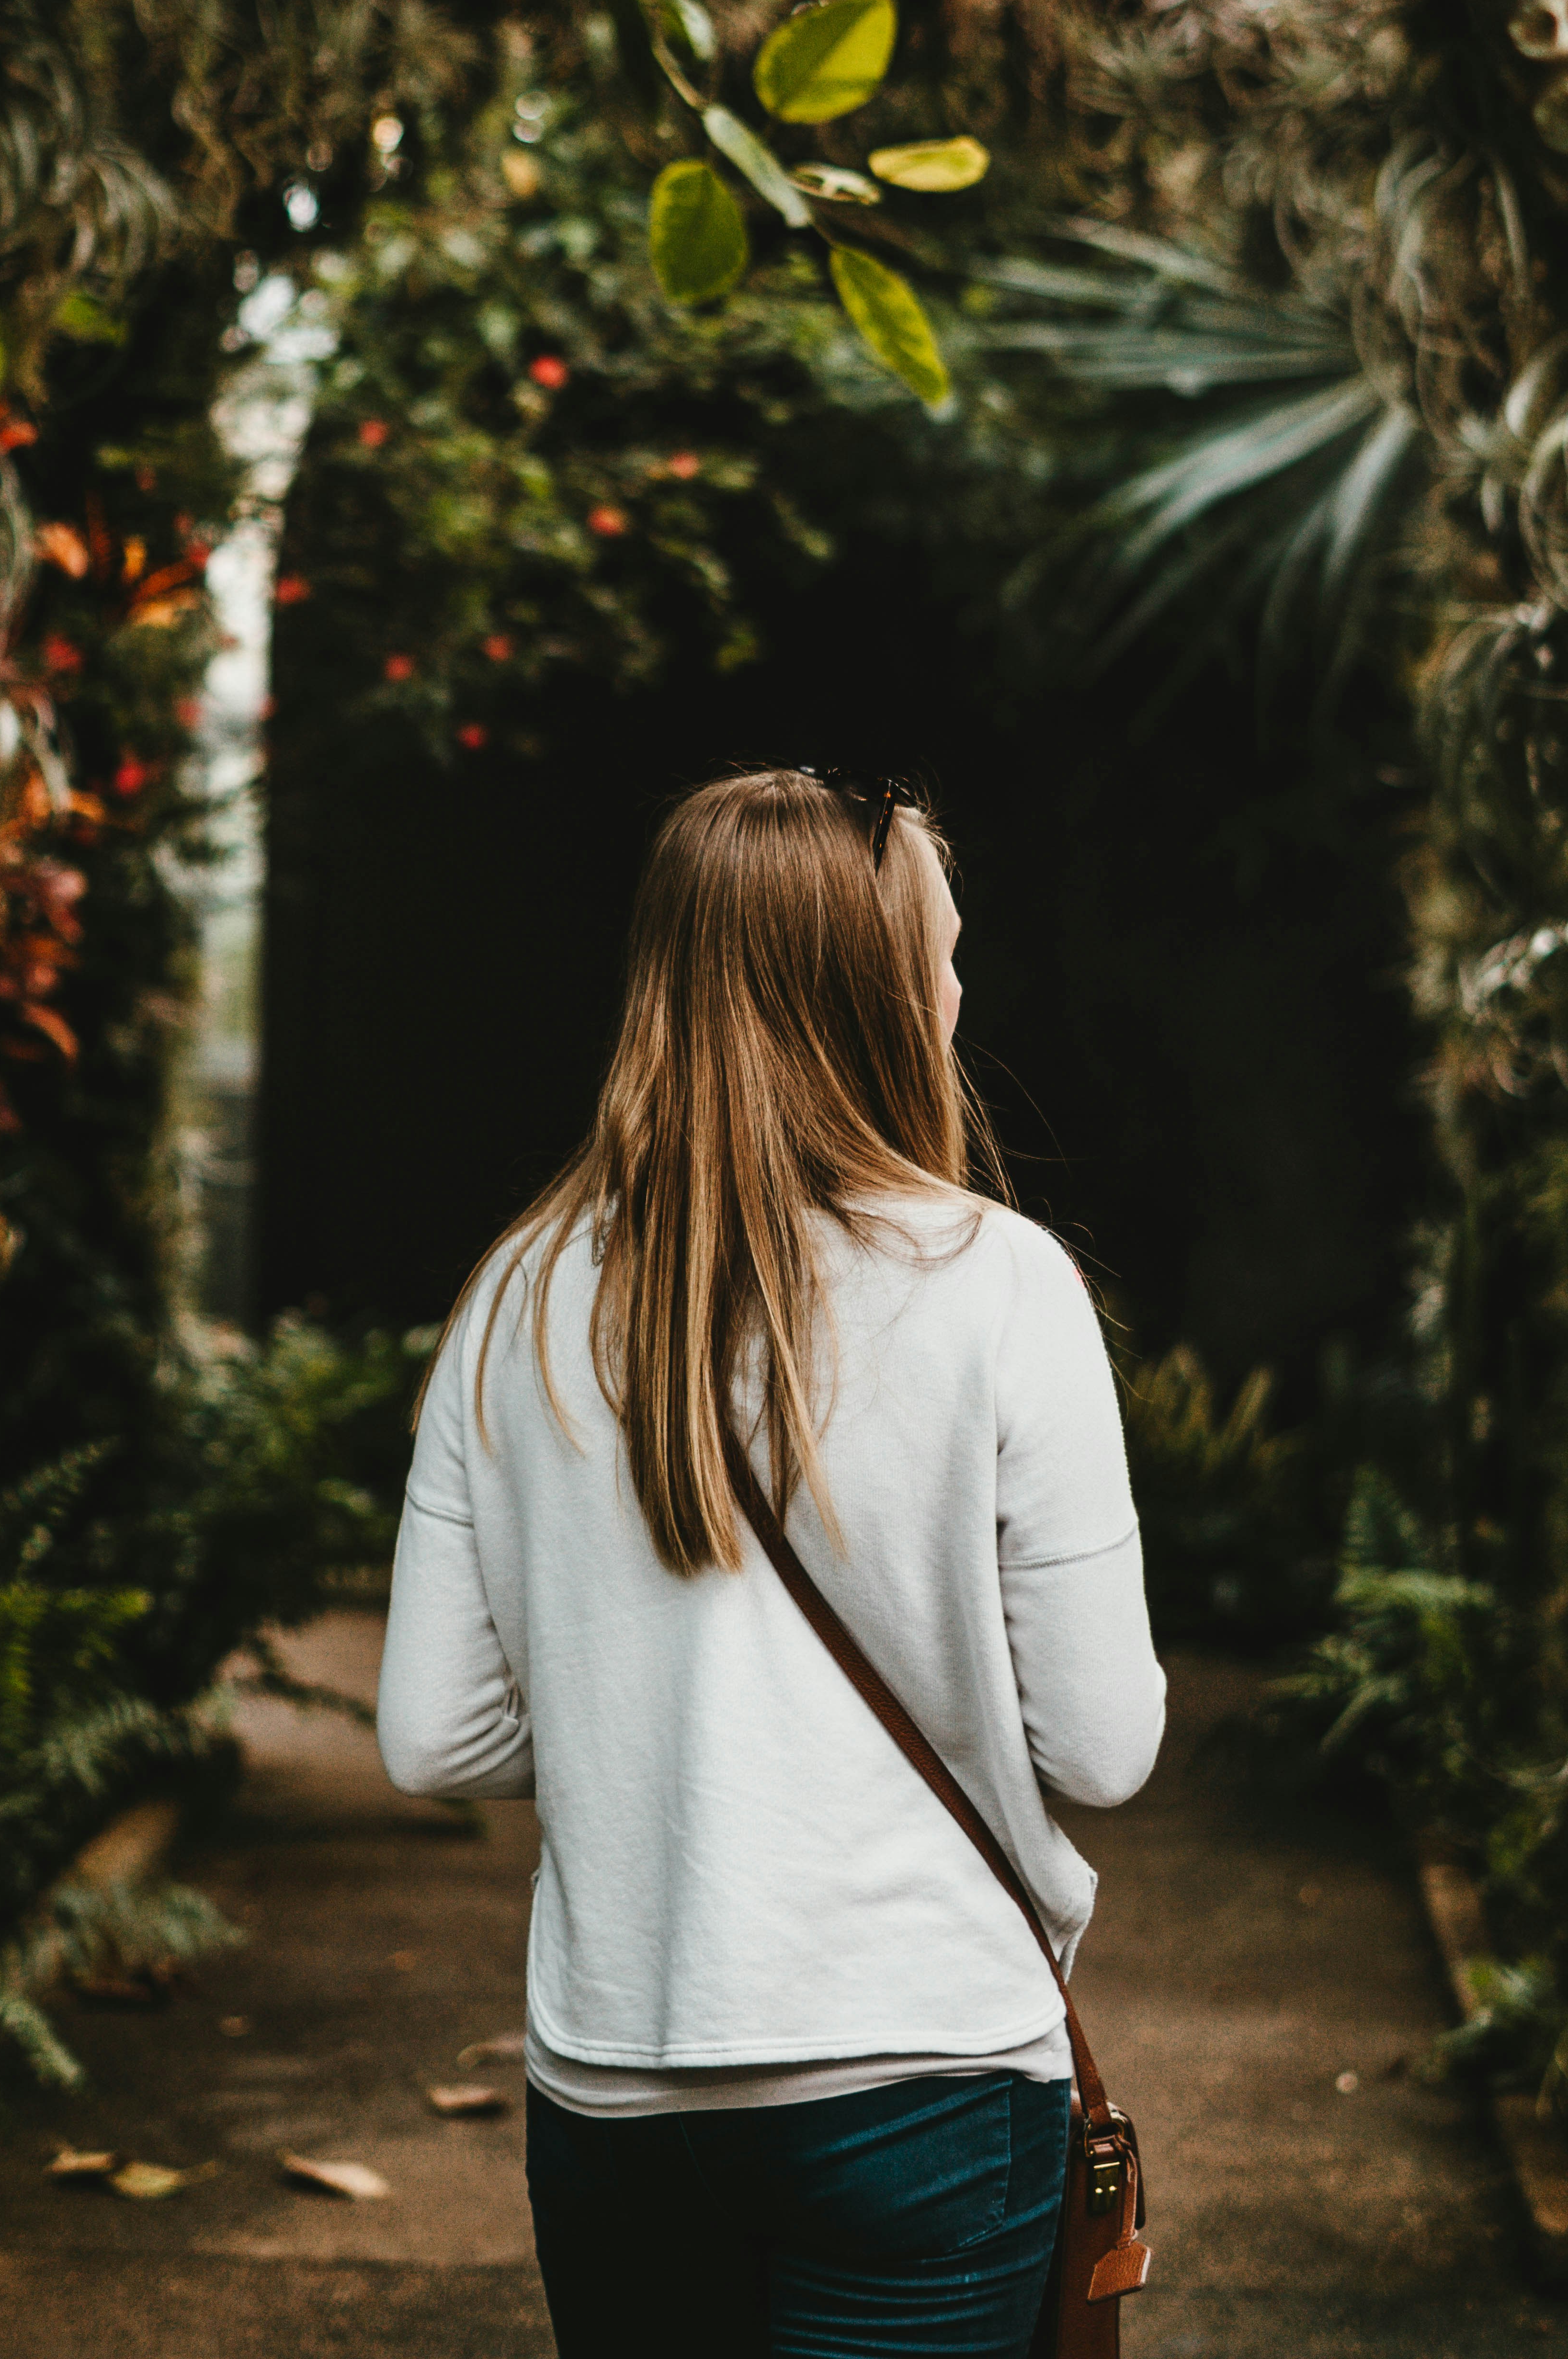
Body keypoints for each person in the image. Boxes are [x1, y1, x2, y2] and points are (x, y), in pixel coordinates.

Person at [377, 765, 1166, 2357]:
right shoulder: (1001, 1286)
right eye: (942, 955)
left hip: (614, 2087)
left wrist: (644, 1716)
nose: (960, 992)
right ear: (871, 991)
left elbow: (432, 1737)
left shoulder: (516, 1296)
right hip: (928, 2075)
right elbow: (1104, 1747)